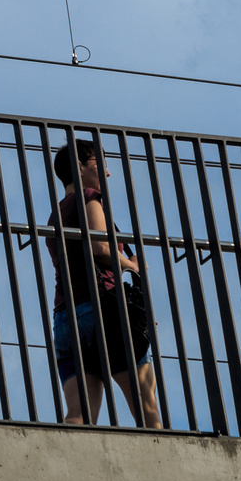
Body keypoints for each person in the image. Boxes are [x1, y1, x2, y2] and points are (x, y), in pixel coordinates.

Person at [46, 138, 162, 428]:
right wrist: (131, 265)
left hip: (66, 319)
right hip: (104, 313)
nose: (108, 173)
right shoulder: (89, 197)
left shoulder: (56, 214)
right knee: (148, 411)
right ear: (81, 167)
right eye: (102, 164)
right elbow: (100, 248)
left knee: (79, 415)